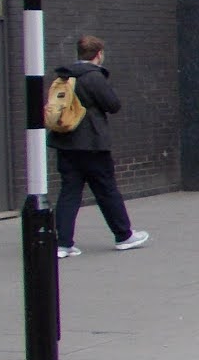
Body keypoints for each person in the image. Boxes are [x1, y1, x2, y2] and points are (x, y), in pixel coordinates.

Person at [48, 35, 149, 257]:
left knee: (69, 192)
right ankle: (124, 235)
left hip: (66, 144)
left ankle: (62, 243)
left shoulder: (64, 76)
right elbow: (113, 105)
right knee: (106, 190)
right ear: (98, 54)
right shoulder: (93, 77)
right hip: (92, 144)